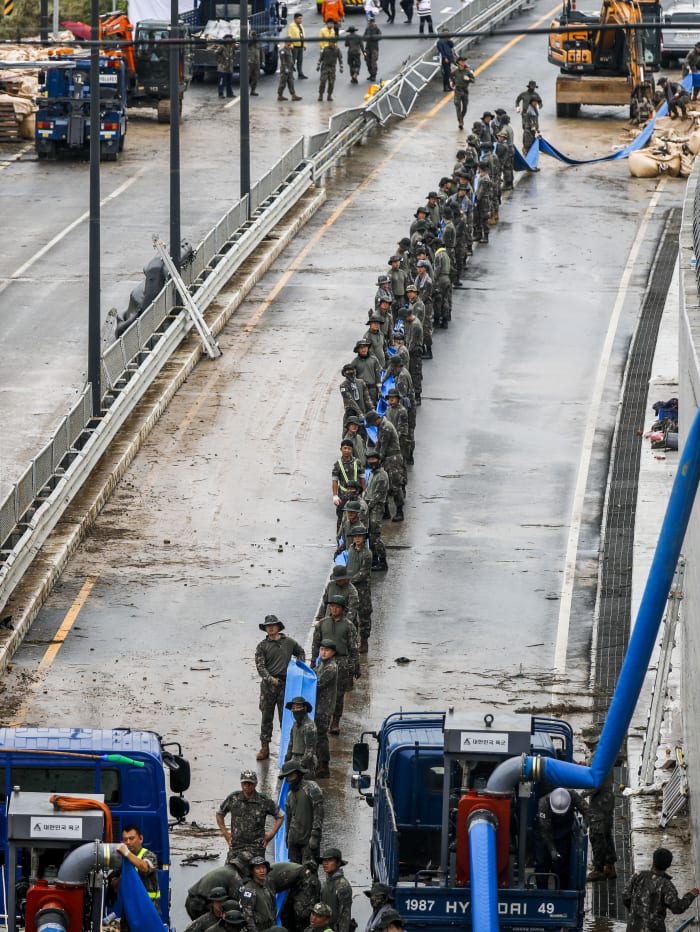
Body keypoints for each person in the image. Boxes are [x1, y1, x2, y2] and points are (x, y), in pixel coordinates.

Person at [255, 614, 306, 761]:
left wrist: (298, 668)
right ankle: (265, 747)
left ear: (278, 627)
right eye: (268, 626)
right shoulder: (262, 646)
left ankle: (288, 748)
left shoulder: (289, 642)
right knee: (266, 717)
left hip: (285, 686)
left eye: (273, 625)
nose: (270, 628)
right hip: (268, 687)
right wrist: (270, 679)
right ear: (265, 629)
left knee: (286, 718)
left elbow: (300, 652)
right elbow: (260, 667)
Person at [311, 593, 360, 733]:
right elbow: (315, 643)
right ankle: (321, 718)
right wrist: (313, 660)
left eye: (337, 607)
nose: (334, 609)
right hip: (323, 660)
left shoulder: (349, 626)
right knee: (320, 691)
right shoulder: (323, 623)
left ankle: (335, 721)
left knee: (338, 694)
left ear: (342, 609)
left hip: (341, 662)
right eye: (332, 606)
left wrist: (355, 666)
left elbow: (353, 648)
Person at [623, 848, 699, 932]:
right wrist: (690, 895)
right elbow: (677, 908)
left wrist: (635, 911)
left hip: (633, 928)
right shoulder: (666, 885)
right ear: (669, 865)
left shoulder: (638, 876)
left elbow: (625, 896)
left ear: (653, 860)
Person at [216, 770, 285, 862]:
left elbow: (280, 816)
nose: (247, 786)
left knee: (257, 874)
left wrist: (270, 836)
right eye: (245, 783)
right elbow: (219, 814)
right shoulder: (233, 798)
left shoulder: (263, 801)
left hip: (256, 848)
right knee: (230, 873)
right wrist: (226, 834)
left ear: (255, 784)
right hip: (236, 846)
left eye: (250, 783)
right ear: (241, 783)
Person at [534, 788, 586, 890]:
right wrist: (552, 849)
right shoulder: (543, 803)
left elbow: (587, 810)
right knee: (542, 863)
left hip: (564, 832)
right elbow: (546, 831)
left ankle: (562, 891)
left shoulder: (573, 795)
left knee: (562, 865)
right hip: (544, 834)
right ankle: (542, 892)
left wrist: (585, 822)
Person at [114, 825, 160, 929]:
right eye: (125, 839)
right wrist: (120, 879)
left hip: (148, 909)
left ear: (141, 839)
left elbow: (145, 867)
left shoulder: (149, 855)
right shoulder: (121, 860)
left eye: (131, 838)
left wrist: (127, 853)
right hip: (129, 911)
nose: (128, 842)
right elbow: (114, 885)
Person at [279, 761, 324, 863]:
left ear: (298, 774)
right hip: (293, 841)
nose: (289, 779)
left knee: (309, 873)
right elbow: (289, 817)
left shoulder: (311, 787)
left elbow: (319, 812)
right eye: (287, 777)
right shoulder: (290, 794)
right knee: (295, 874)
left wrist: (315, 835)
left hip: (308, 841)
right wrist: (287, 837)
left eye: (291, 775)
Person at [364, 410, 403, 521]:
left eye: (372, 424)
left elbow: (383, 449)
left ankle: (400, 511)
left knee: (395, 485)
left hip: (393, 459)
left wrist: (376, 461)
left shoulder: (386, 428)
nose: (373, 426)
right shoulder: (381, 426)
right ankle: (387, 513)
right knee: (385, 485)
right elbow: (378, 444)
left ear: (376, 420)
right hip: (386, 459)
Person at [346, 523, 373, 653]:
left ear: (364, 538)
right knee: (351, 614)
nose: (357, 539)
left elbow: (364, 573)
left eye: (360, 536)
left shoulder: (367, 554)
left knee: (364, 615)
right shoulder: (350, 549)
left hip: (362, 588)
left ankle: (364, 641)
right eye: (355, 536)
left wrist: (349, 580)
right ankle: (353, 641)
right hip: (351, 588)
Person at [314, 638, 338, 778]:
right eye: (322, 649)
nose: (323, 652)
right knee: (318, 735)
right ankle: (319, 762)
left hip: (324, 708)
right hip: (318, 706)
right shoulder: (322, 663)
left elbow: (318, 683)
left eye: (326, 650)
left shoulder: (330, 667)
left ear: (333, 652)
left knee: (321, 736)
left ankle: (323, 765)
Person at [364, 449, 389, 572]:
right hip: (370, 505)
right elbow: (369, 491)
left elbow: (377, 495)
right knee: (369, 535)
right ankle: (374, 559)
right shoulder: (373, 473)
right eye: (369, 460)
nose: (371, 462)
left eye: (373, 459)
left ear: (379, 460)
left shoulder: (381, 476)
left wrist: (367, 507)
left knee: (375, 536)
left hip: (376, 507)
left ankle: (383, 561)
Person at [332, 438, 364, 529]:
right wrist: (335, 495)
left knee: (357, 516)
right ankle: (340, 539)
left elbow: (362, 477)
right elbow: (334, 480)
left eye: (349, 448)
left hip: (356, 494)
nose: (347, 450)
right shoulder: (337, 465)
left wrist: (364, 490)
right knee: (341, 518)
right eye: (345, 448)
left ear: (352, 450)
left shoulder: (357, 462)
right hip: (343, 496)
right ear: (341, 449)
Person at [319, 849, 353, 932]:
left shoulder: (343, 886)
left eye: (330, 860)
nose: (325, 863)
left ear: (338, 863)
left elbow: (345, 916)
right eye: (324, 860)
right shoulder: (326, 883)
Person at [239, 857, 277, 932]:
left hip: (270, 926)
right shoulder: (249, 889)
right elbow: (247, 916)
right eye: (258, 868)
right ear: (252, 871)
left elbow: (272, 907)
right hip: (259, 928)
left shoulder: (268, 884)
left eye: (263, 868)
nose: (262, 871)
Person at [284, 696, 318, 775]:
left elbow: (310, 750)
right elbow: (291, 743)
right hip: (294, 759)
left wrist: (301, 766)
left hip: (306, 763)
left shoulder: (309, 726)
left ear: (304, 708)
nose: (295, 710)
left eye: (298, 707)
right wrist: (287, 759)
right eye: (293, 708)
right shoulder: (295, 725)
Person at [450, 57, 475, 131]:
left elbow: (473, 80)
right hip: (458, 90)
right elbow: (451, 76)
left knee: (465, 108)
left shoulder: (467, 72)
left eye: (464, 62)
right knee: (457, 105)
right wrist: (452, 82)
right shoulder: (455, 72)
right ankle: (460, 122)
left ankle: (461, 118)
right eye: (461, 62)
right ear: (458, 63)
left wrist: (469, 79)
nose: (463, 63)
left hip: (465, 91)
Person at [287, 13, 308, 78]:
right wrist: (291, 46)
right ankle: (290, 74)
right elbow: (289, 36)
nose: (300, 20)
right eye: (299, 18)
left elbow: (303, 35)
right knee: (292, 61)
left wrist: (304, 44)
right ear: (295, 19)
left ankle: (300, 73)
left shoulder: (300, 25)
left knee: (300, 60)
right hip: (294, 46)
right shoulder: (291, 26)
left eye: (301, 18)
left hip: (300, 46)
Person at [363, 16, 381, 81]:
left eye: (372, 22)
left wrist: (373, 37)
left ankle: (374, 75)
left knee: (373, 62)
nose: (371, 23)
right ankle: (371, 74)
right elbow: (364, 38)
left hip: (374, 48)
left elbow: (380, 37)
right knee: (368, 62)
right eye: (370, 22)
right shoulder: (367, 29)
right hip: (368, 48)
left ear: (374, 22)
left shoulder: (377, 29)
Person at [248, 32, 261, 96]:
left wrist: (263, 61)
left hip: (257, 62)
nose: (254, 36)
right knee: (247, 76)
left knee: (255, 77)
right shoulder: (248, 42)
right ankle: (244, 90)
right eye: (253, 35)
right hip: (249, 62)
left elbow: (262, 52)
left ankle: (253, 90)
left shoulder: (258, 43)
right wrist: (251, 39)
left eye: (254, 35)